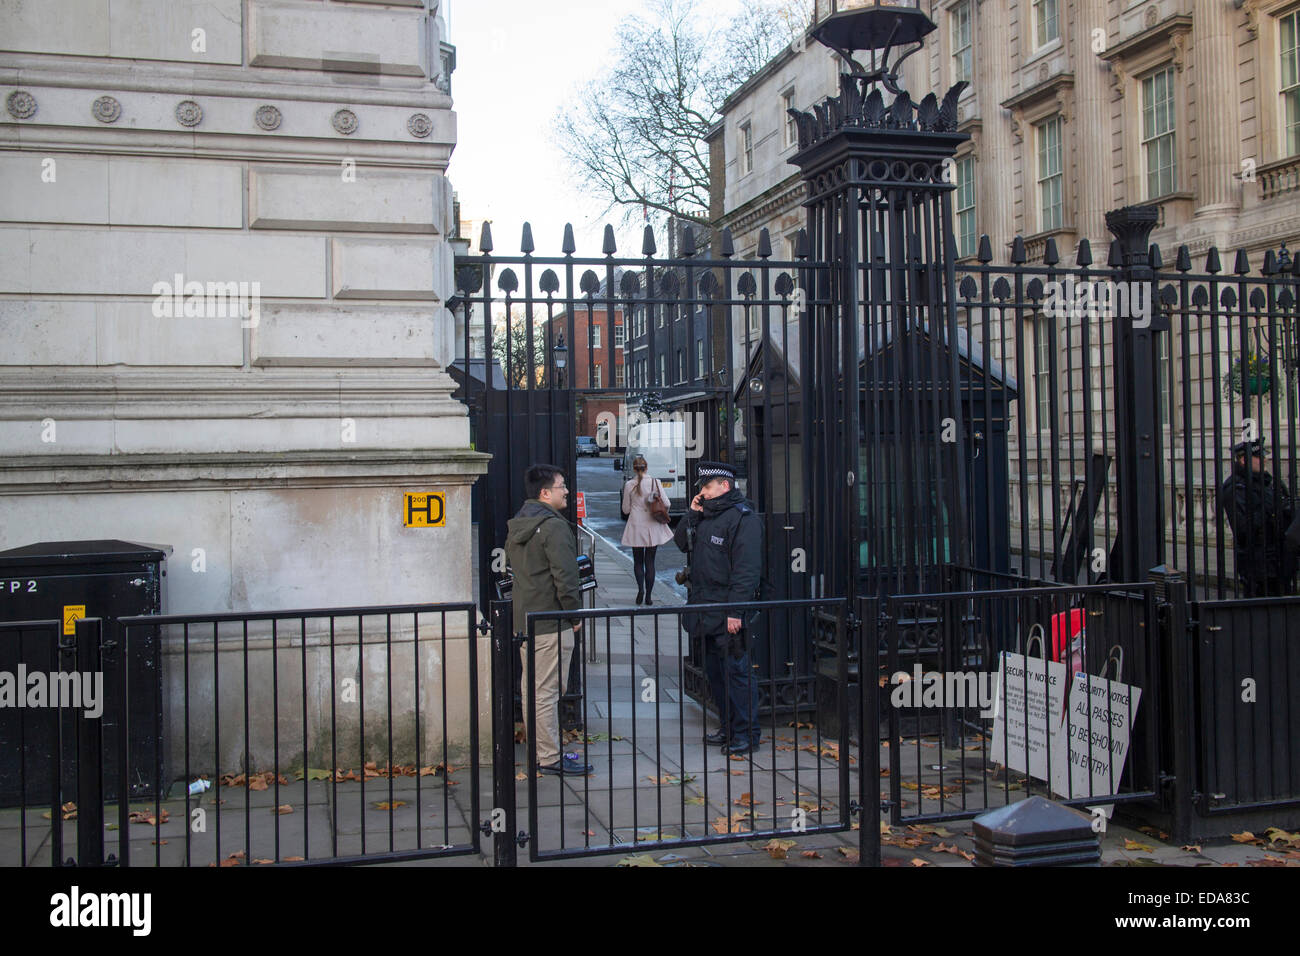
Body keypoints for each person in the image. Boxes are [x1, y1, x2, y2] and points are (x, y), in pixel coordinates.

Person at [504, 464, 593, 775]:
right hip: (551, 621)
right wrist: (574, 614)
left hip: (526, 619)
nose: (566, 491)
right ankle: (549, 757)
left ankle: (542, 751)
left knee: (534, 690)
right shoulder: (553, 527)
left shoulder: (519, 524)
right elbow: (566, 578)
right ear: (545, 493)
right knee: (547, 692)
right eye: (561, 486)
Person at [673, 460, 764, 756]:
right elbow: (680, 544)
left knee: (736, 672)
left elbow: (746, 571)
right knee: (715, 672)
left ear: (725, 486)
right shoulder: (706, 514)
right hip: (704, 607)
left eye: (708, 487)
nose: (704, 493)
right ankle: (728, 726)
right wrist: (692, 513)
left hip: (727, 608)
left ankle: (746, 734)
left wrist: (735, 612)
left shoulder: (743, 518)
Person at [1218, 440, 1297, 596]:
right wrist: (1268, 506)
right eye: (1259, 456)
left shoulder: (1270, 482)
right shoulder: (1235, 488)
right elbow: (1242, 530)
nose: (1265, 459)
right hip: (1257, 567)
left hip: (1281, 561)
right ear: (1243, 460)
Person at [621, 455, 674, 605]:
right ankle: (649, 597)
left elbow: (625, 510)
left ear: (634, 468)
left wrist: (635, 507)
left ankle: (640, 589)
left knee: (638, 561)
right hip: (652, 525)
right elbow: (667, 503)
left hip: (636, 525)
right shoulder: (655, 482)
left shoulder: (629, 485)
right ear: (647, 467)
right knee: (650, 562)